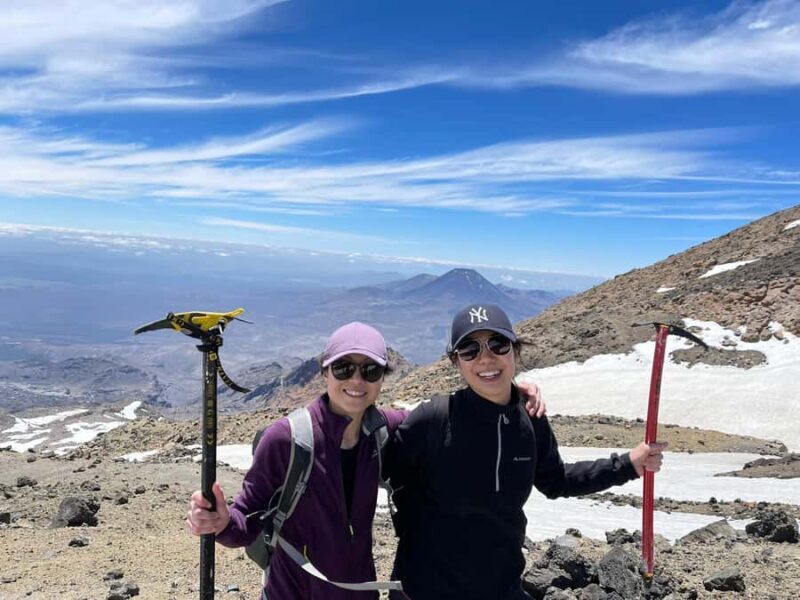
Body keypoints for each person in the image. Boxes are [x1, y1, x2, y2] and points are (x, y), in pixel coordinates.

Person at [186, 320, 546, 599]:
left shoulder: (382, 429)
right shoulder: (287, 438)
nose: (356, 380)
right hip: (295, 591)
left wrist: (509, 393)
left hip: (359, 592)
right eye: (343, 368)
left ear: (382, 378)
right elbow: (243, 525)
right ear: (324, 372)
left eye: (370, 370)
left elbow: (449, 418)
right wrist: (219, 522)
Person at [386, 304, 667, 600]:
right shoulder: (432, 419)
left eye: (498, 344)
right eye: (469, 349)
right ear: (456, 361)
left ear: (514, 351)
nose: (485, 357)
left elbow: (556, 481)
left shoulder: (530, 419)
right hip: (424, 590)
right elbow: (372, 465)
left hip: (500, 587)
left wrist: (627, 465)